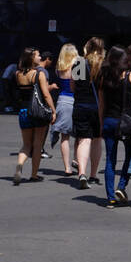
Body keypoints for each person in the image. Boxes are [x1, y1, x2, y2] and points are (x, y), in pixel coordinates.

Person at [96, 46, 131, 208]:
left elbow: (101, 104)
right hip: (127, 122)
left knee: (110, 159)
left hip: (109, 120)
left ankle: (110, 198)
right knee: (130, 154)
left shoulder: (104, 77)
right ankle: (121, 186)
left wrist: (101, 123)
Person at [12, 48, 55, 185]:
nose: (40, 57)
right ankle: (34, 174)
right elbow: (46, 94)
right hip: (37, 113)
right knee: (37, 145)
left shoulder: (18, 74)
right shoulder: (37, 74)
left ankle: (19, 166)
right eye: (37, 55)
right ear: (31, 58)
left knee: (26, 145)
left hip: (24, 111)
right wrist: (53, 111)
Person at [72, 38, 104, 189]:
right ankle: (93, 175)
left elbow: (73, 86)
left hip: (80, 105)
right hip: (98, 108)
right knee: (97, 140)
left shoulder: (78, 62)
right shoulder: (104, 64)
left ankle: (81, 173)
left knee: (84, 140)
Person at [51, 44, 78, 174]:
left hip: (62, 100)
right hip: (76, 100)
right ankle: (77, 160)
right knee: (80, 135)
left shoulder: (59, 67)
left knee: (64, 136)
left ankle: (67, 167)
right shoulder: (79, 65)